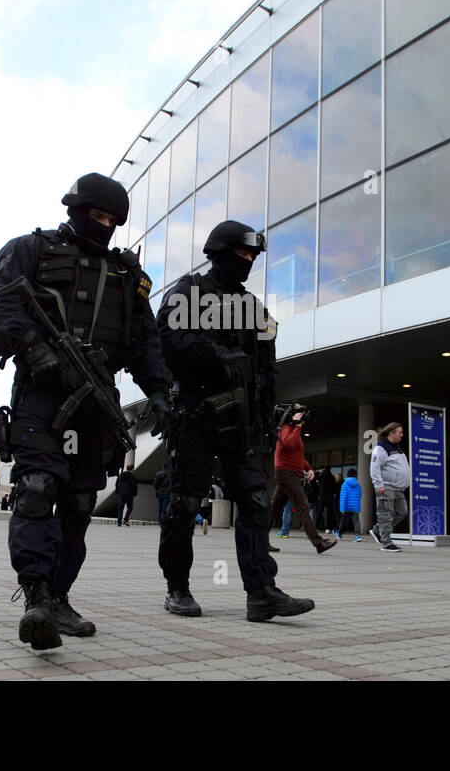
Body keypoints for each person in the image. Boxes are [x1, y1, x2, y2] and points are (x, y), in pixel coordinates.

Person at [0, 172, 171, 650]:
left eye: (111, 220)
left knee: (81, 505)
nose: (102, 225)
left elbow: (145, 341)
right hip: (42, 394)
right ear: (74, 209)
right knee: (37, 491)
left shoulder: (128, 276)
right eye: (96, 215)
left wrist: (162, 391)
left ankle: (59, 597)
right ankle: (37, 596)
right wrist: (33, 348)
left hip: (95, 400)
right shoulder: (30, 250)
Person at [157, 220, 315, 621]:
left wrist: (266, 416)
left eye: (252, 258)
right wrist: (212, 356)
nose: (246, 263)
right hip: (197, 414)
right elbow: (168, 343)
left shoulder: (255, 308)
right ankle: (177, 587)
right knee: (185, 503)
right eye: (241, 255)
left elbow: (267, 368)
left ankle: (261, 591)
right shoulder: (188, 292)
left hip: (243, 422)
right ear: (219, 253)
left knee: (257, 501)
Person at [270, 408, 336, 555]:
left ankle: (258, 540)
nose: (302, 417)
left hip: (288, 473)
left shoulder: (293, 430)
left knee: (274, 508)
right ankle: (319, 543)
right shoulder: (286, 429)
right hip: (286, 473)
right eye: (299, 413)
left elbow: (297, 455)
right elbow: (289, 444)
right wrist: (297, 427)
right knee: (303, 506)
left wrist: (308, 468)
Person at [369, 422, 411, 553]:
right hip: (386, 487)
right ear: (391, 433)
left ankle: (378, 530)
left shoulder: (397, 447)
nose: (402, 435)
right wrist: (378, 484)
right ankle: (386, 542)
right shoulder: (382, 448)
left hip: (398, 489)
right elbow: (375, 466)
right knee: (385, 514)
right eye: (400, 432)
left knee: (402, 511)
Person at [338, 467, 362, 541]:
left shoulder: (345, 484)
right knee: (356, 521)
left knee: (343, 521)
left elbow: (343, 496)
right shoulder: (358, 485)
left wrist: (342, 508)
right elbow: (359, 495)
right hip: (355, 506)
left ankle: (340, 534)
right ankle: (358, 536)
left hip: (347, 506)